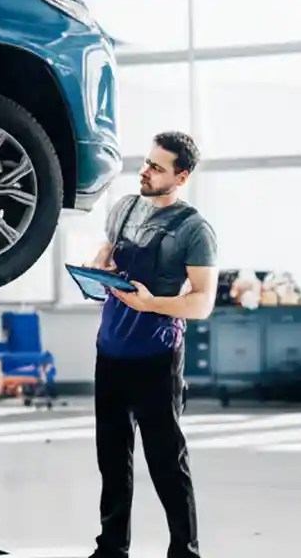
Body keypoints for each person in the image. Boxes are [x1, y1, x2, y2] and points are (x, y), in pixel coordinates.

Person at [85, 131, 219, 558]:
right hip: (110, 353)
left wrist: (150, 304)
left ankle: (185, 551)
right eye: (146, 162)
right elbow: (107, 253)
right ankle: (111, 549)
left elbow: (202, 303)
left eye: (157, 168)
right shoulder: (124, 209)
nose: (145, 171)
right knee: (112, 461)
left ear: (181, 177)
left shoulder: (194, 230)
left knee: (166, 463)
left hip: (156, 359)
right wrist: (97, 266)